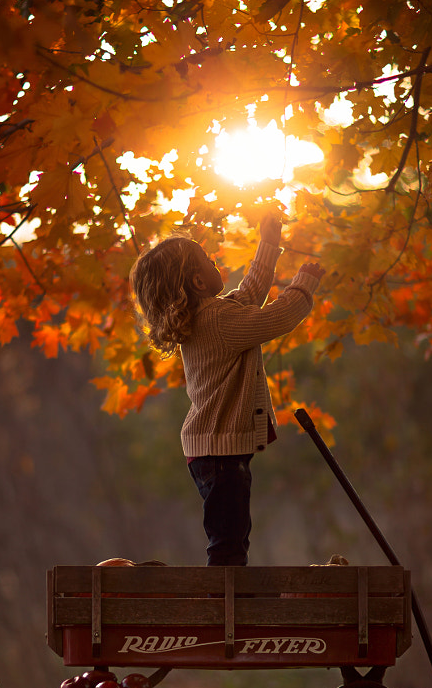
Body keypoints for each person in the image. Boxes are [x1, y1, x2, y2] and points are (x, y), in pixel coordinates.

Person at [132, 213, 325, 566]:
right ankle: (225, 606)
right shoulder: (220, 321)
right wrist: (303, 286)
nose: (215, 261)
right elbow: (276, 318)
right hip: (219, 453)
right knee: (228, 543)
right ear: (198, 280)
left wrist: (268, 243)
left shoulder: (212, 316)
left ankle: (229, 601)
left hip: (211, 449)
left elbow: (250, 292)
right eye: (208, 260)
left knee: (232, 534)